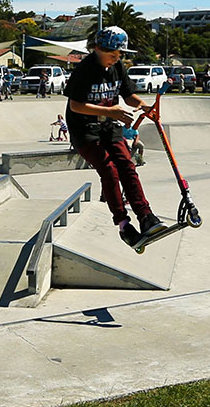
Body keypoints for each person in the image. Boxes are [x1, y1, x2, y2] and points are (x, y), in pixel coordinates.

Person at [64, 26, 165, 247]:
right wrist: (110, 111)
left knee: (127, 166)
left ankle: (146, 217)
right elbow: (76, 106)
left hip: (109, 127)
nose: (116, 59)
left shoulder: (117, 67)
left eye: (119, 55)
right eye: (113, 55)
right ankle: (123, 224)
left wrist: (143, 105)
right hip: (84, 131)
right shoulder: (84, 70)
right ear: (99, 49)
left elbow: (128, 96)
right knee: (109, 170)